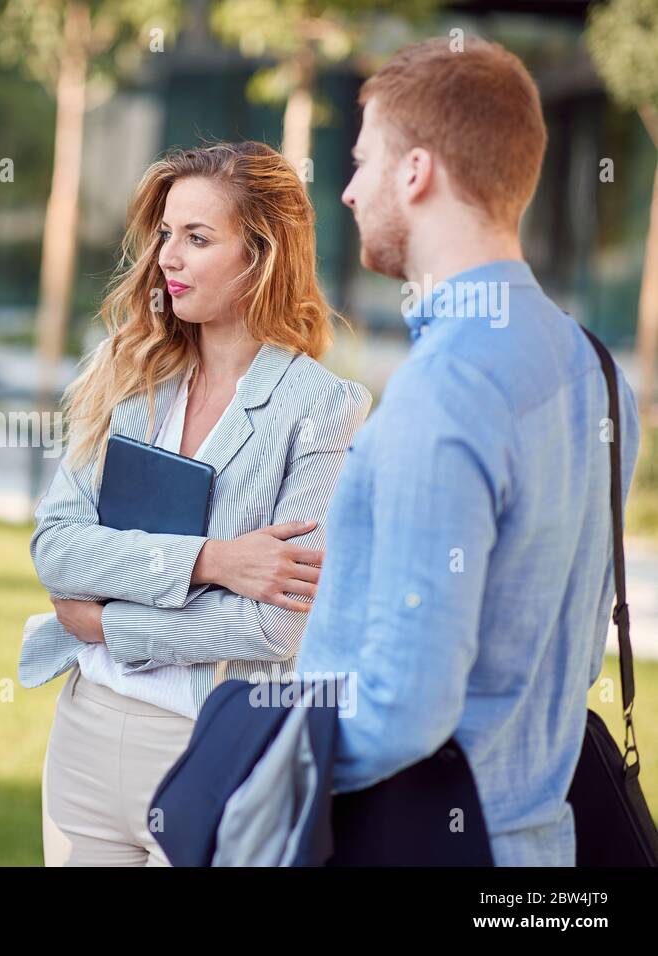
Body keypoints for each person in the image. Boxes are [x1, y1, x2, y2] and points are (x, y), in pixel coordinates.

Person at [293, 37, 641, 866]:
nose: (345, 190)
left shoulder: (446, 389)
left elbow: (406, 709)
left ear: (415, 172)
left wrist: (259, 765)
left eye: (362, 159)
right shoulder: (596, 369)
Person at [20, 141, 371, 866]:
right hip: (85, 732)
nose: (167, 258)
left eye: (198, 238)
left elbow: (276, 625)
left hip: (207, 745)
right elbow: (56, 547)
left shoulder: (320, 407)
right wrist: (213, 561)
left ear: (262, 254)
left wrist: (109, 625)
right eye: (166, 234)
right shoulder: (131, 369)